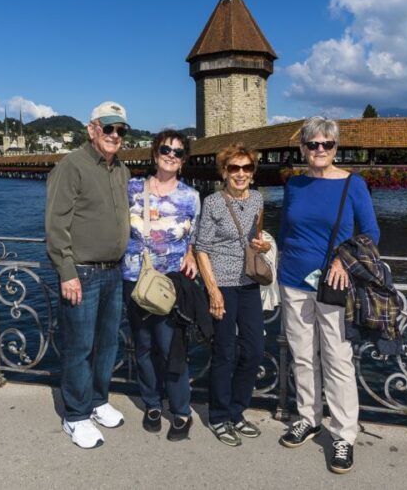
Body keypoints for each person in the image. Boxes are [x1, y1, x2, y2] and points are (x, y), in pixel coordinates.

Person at [277, 117, 380, 474]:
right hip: (293, 281)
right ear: (302, 148)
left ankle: (344, 434)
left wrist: (343, 260)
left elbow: (371, 233)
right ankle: (309, 418)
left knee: (337, 359)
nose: (319, 150)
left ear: (336, 148)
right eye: (313, 144)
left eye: (327, 144)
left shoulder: (353, 184)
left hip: (335, 283)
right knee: (303, 356)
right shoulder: (295, 183)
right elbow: (286, 228)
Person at [45, 101, 131, 449]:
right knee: (79, 346)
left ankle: (97, 400)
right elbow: (56, 224)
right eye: (108, 128)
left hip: (113, 271)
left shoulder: (121, 169)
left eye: (120, 130)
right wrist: (66, 271)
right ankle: (76, 415)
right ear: (92, 129)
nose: (114, 135)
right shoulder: (72, 166)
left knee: (108, 343)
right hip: (82, 272)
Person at [122, 130, 200, 441]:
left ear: (183, 160)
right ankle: (152, 404)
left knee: (171, 348)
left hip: (170, 283)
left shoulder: (191, 196)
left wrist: (191, 253)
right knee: (143, 346)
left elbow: (195, 237)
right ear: (155, 154)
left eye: (178, 152)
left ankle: (181, 411)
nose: (171, 155)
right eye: (165, 149)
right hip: (135, 278)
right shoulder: (132, 188)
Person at [195, 143, 271, 447]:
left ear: (253, 172)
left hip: (249, 283)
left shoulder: (257, 200)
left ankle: (237, 412)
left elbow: (255, 238)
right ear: (224, 172)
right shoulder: (213, 202)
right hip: (222, 285)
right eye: (234, 168)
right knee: (225, 352)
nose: (241, 173)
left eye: (246, 168)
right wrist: (213, 291)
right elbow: (202, 249)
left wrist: (263, 245)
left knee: (254, 350)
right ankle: (218, 416)